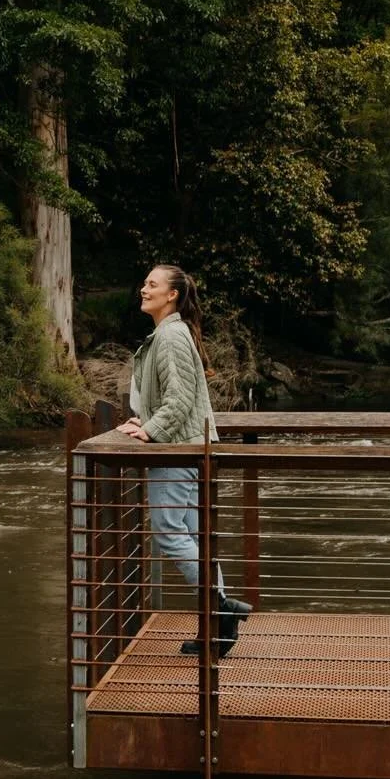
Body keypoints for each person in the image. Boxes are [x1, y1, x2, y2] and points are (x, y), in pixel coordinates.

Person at [120, 263, 250, 656]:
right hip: (190, 447)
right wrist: (145, 417)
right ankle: (221, 628)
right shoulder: (169, 333)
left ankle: (222, 609)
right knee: (195, 540)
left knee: (169, 534)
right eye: (144, 282)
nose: (144, 289)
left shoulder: (172, 336)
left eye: (152, 284)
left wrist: (151, 430)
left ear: (172, 294)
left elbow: (178, 399)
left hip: (179, 448)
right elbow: (175, 397)